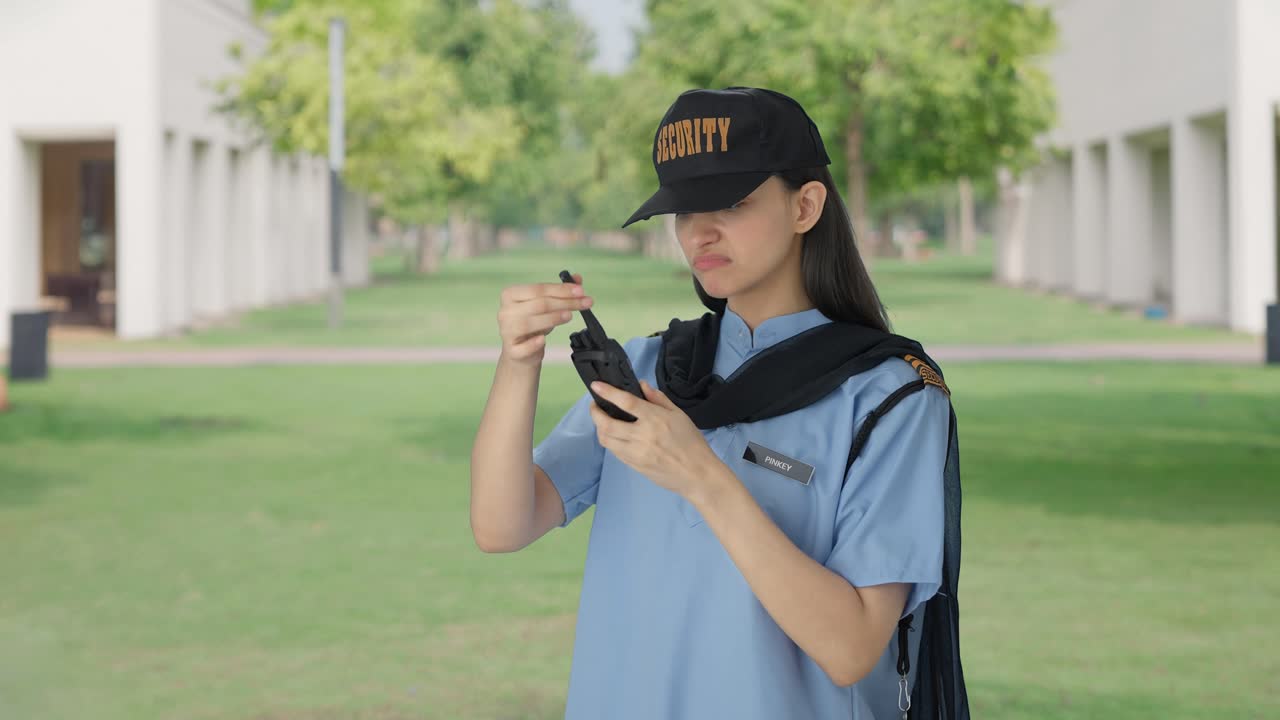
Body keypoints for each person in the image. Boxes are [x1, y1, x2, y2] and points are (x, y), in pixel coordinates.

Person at [470, 86, 961, 719]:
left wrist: (702, 475)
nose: (699, 232)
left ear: (806, 205)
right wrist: (518, 362)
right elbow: (501, 526)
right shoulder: (650, 370)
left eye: (732, 202)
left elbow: (851, 648)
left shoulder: (891, 397)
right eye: (683, 209)